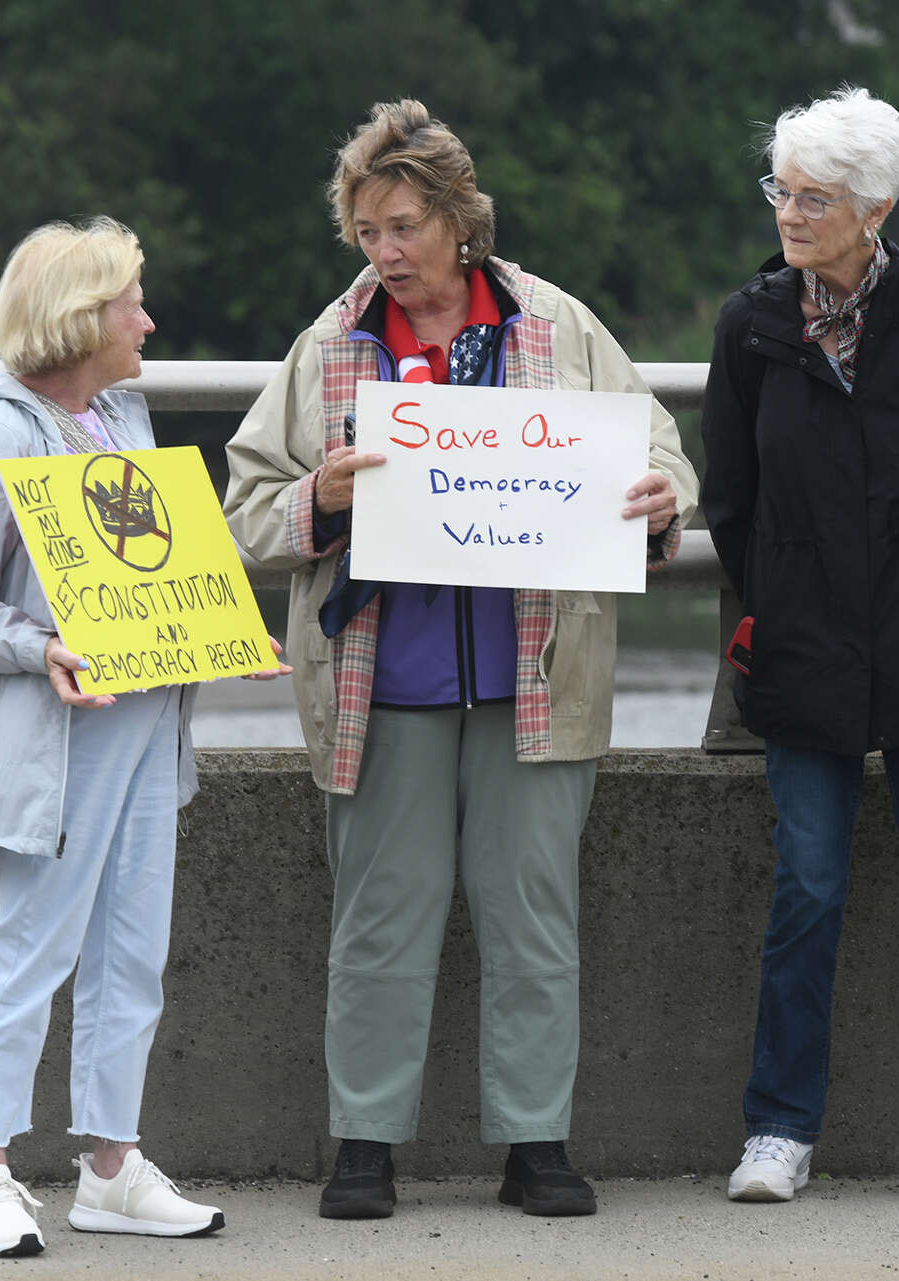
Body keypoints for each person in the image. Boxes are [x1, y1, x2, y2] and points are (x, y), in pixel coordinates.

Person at [222, 99, 697, 1221]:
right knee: (381, 916)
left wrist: (660, 498)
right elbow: (245, 511)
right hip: (381, 680)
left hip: (536, 675)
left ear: (458, 222)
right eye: (367, 233)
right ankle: (364, 1145)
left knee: (534, 912)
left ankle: (536, 1144)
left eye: (402, 228)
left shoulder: (560, 325)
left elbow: (661, 452)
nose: (385, 253)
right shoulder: (326, 349)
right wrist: (318, 501)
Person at [0, 218, 279, 1256]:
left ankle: (111, 1165)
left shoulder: (120, 412)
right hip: (54, 738)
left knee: (133, 951)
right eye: (132, 305)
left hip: (145, 730)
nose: (148, 321)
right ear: (82, 319)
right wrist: (40, 649)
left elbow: (149, 571)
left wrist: (221, 632)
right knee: (30, 945)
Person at [700, 87, 899, 1206]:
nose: (791, 212)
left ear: (875, 205)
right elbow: (730, 498)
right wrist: (786, 592)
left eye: (816, 197)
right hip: (800, 642)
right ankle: (779, 1128)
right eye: (782, 190)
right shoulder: (749, 327)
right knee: (809, 886)